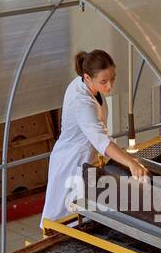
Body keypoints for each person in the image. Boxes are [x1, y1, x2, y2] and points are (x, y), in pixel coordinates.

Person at [42, 49, 149, 225]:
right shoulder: (81, 100)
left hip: (86, 159)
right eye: (104, 81)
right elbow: (101, 140)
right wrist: (130, 162)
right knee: (62, 219)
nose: (109, 86)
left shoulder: (90, 87)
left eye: (112, 78)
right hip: (71, 161)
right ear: (87, 77)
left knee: (80, 214)